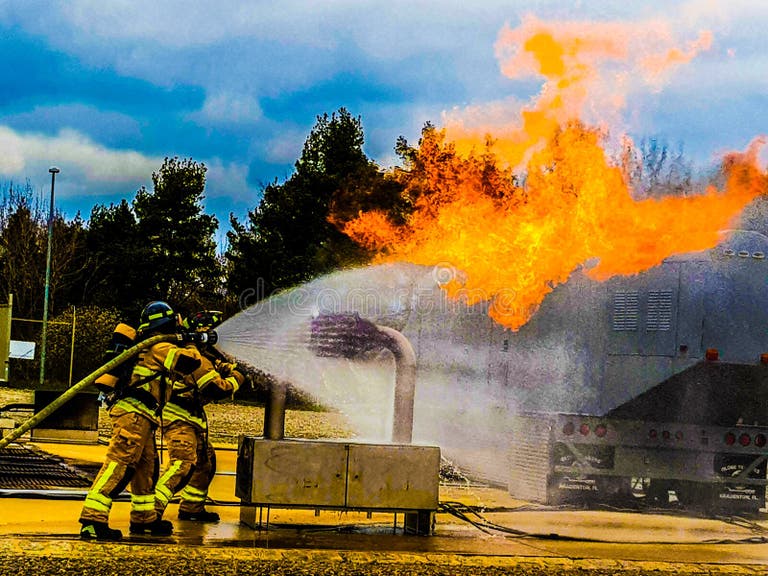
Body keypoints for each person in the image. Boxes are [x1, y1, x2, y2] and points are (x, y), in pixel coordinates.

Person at [79, 301, 202, 541]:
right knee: (120, 464)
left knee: (146, 469)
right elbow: (189, 363)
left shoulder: (151, 345)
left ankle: (145, 520)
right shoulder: (160, 347)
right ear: (168, 323)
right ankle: (92, 520)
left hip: (144, 415)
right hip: (133, 415)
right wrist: (191, 341)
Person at [154, 310, 245, 523]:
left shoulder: (202, 356)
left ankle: (192, 509)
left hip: (192, 419)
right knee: (182, 465)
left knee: (205, 463)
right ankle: (151, 512)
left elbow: (214, 366)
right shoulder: (193, 357)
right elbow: (216, 388)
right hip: (179, 419)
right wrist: (239, 376)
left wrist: (227, 366)